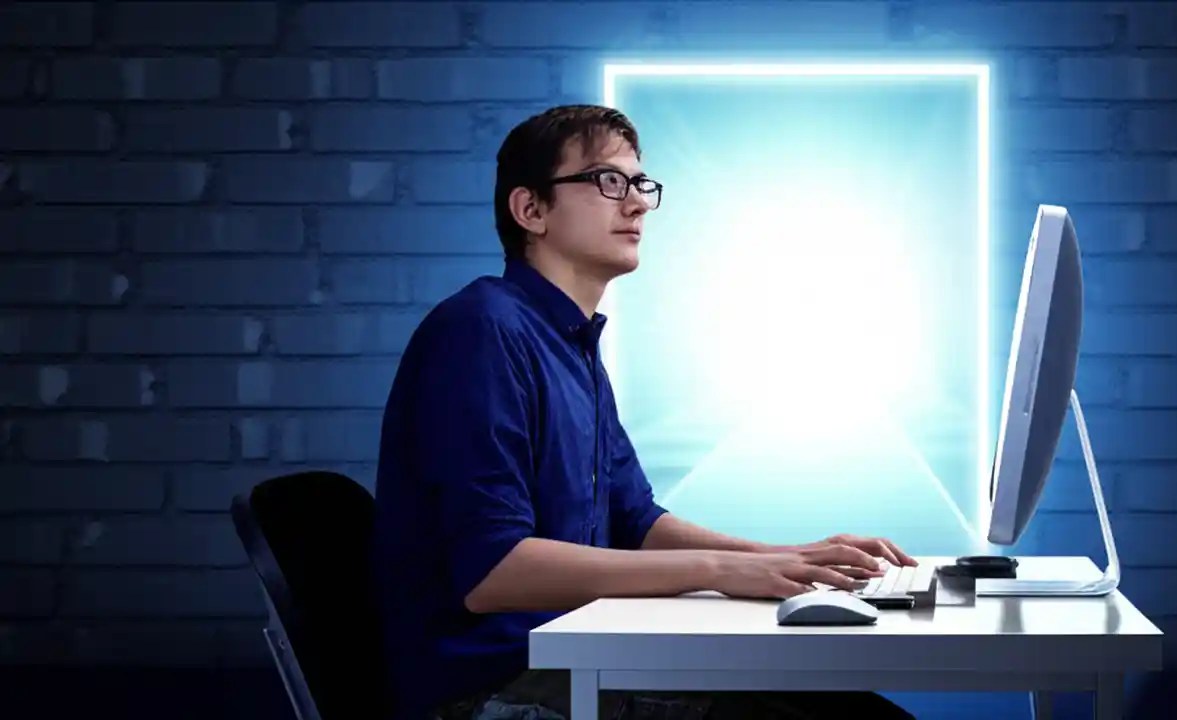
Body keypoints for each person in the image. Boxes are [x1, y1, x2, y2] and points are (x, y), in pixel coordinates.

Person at [372, 104, 917, 720]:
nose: (634, 204)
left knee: (857, 710)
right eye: (606, 181)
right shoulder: (481, 332)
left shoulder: (571, 343)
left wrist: (782, 558)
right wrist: (716, 571)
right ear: (530, 210)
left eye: (639, 184)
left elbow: (633, 520)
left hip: (568, 658)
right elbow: (493, 571)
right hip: (492, 686)